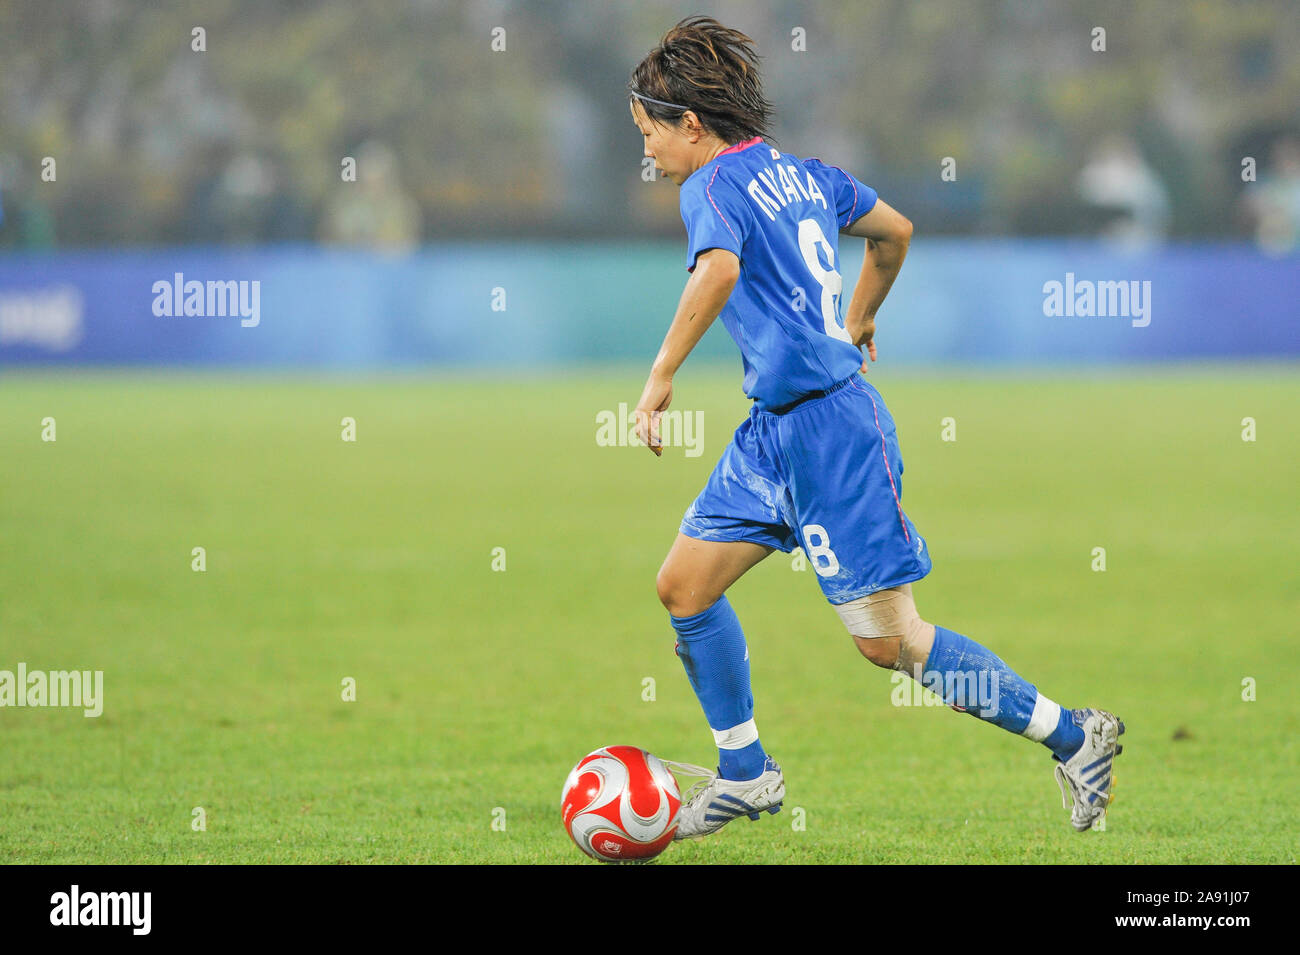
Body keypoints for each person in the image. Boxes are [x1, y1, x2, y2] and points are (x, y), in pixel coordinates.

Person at [627, 16, 1124, 840]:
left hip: (832, 435)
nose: (646, 151)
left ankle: (1076, 736)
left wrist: (659, 376)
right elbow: (895, 232)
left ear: (689, 124)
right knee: (684, 586)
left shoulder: (708, 187)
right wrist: (856, 317)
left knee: (891, 644)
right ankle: (746, 775)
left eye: (648, 132)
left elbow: (719, 268)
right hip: (772, 433)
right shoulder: (804, 173)